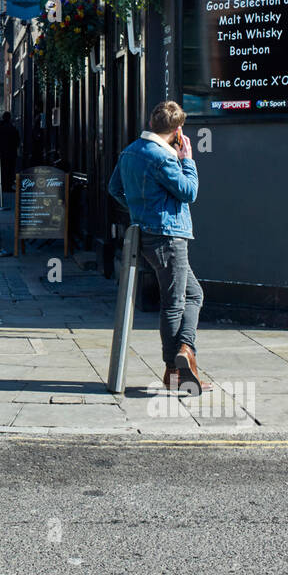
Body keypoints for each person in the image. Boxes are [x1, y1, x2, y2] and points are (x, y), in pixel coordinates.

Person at [107, 100, 210, 395]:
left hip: (147, 234)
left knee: (192, 294)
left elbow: (114, 189)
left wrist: (139, 211)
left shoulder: (131, 152)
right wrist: (187, 159)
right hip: (169, 236)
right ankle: (176, 365)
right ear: (177, 131)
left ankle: (184, 353)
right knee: (174, 302)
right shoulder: (163, 158)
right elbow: (189, 192)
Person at [0, 111, 19, 191]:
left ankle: (2, 185)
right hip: (11, 152)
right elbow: (16, 140)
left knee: (3, 169)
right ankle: (7, 186)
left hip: (2, 151)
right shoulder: (11, 127)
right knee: (10, 169)